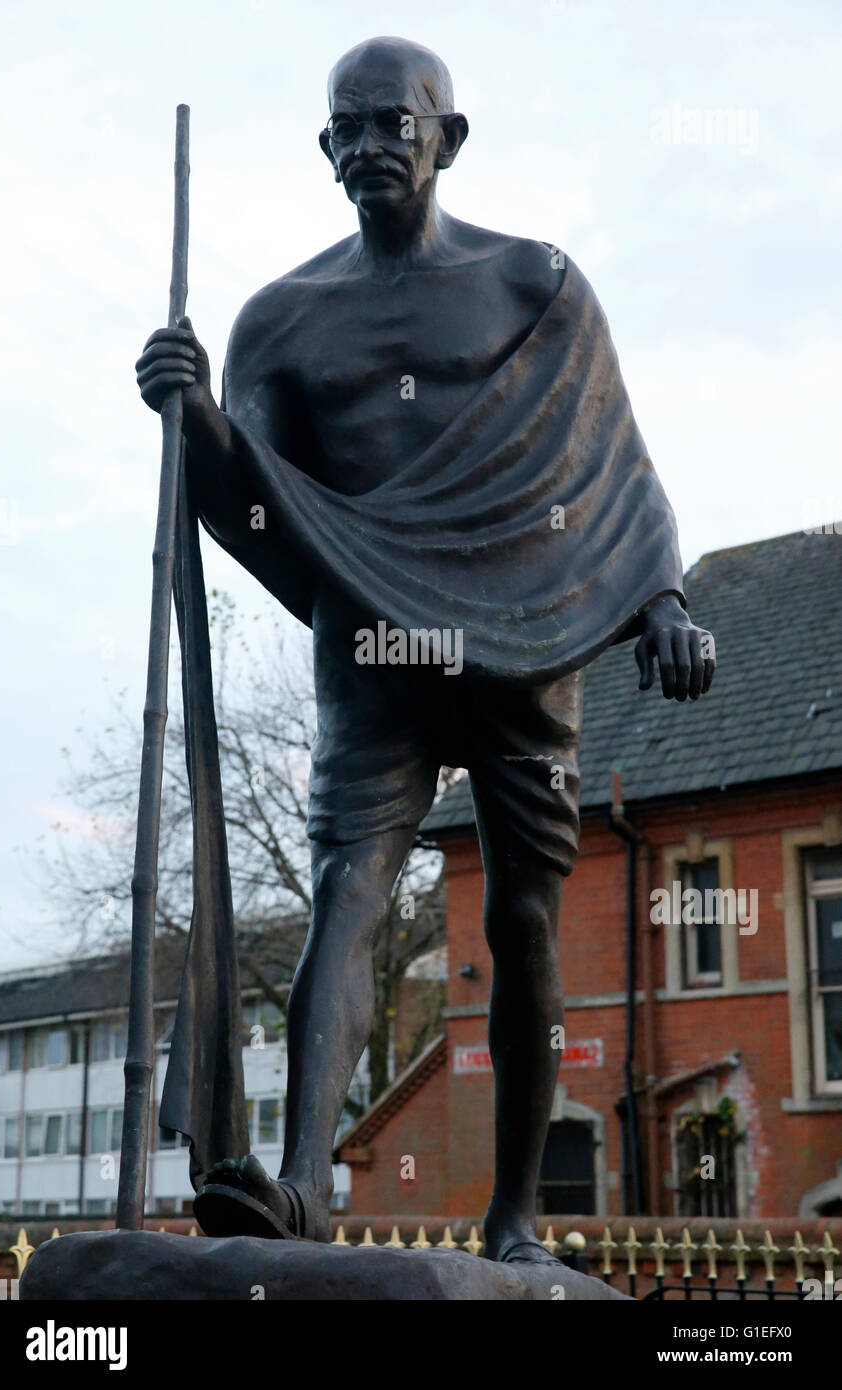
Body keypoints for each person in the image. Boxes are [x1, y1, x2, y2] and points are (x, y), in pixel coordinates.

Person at [136, 36, 715, 1262]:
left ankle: (514, 1215)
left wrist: (659, 602)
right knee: (350, 883)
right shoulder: (283, 323)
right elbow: (256, 511)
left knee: (523, 923)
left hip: (526, 634)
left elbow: (614, 470)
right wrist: (193, 416)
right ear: (321, 147)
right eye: (343, 130)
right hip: (372, 642)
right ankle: (299, 1182)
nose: (366, 149)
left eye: (390, 125)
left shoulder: (535, 287)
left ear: (447, 137)